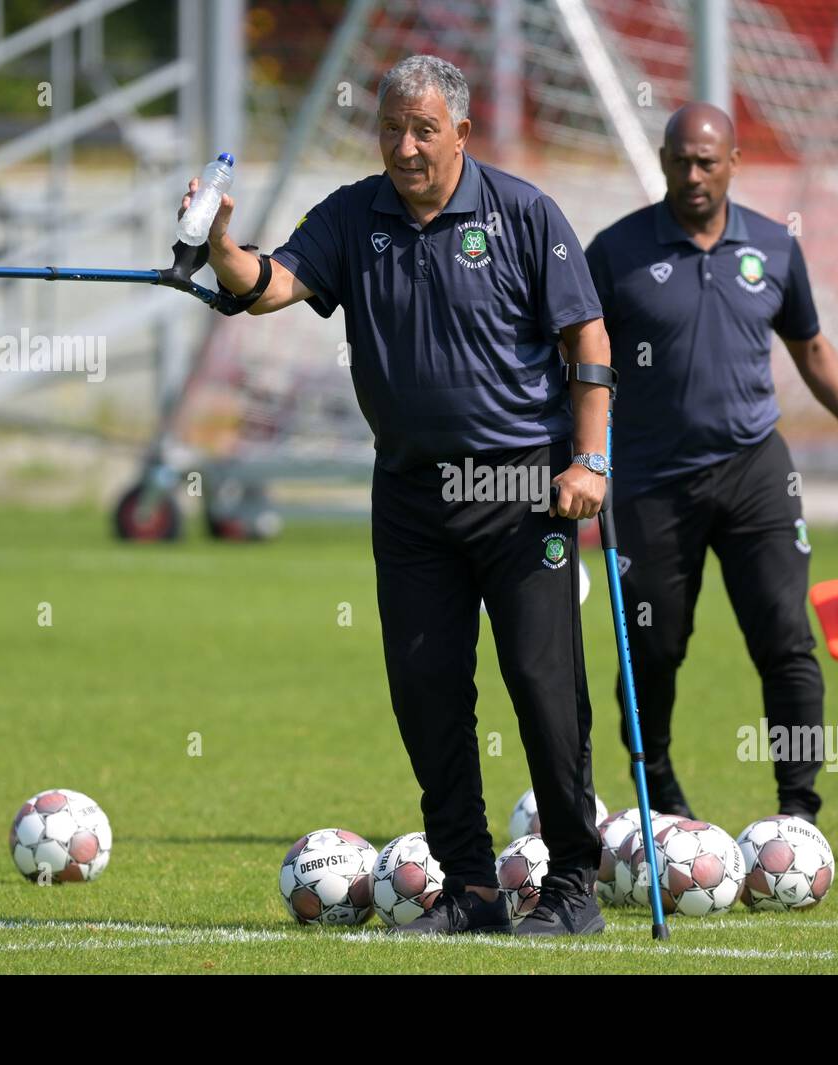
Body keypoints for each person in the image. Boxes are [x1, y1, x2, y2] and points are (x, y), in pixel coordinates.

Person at [186, 55, 614, 934]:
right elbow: (270, 286)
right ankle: (471, 886)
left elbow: (588, 335)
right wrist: (221, 247)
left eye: (423, 130)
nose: (405, 146)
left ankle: (572, 883)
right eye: (391, 128)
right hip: (412, 496)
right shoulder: (353, 213)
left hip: (524, 489)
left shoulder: (525, 213)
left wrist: (592, 462)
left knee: (544, 687)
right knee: (426, 692)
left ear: (461, 131)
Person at [584, 103, 838, 824]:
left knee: (786, 639)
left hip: (756, 469)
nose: (693, 174)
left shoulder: (774, 248)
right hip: (651, 480)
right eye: (680, 161)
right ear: (663, 162)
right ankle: (657, 787)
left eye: (707, 161)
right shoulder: (615, 253)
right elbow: (575, 358)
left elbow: (811, 347)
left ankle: (799, 811)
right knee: (653, 648)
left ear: (732, 163)